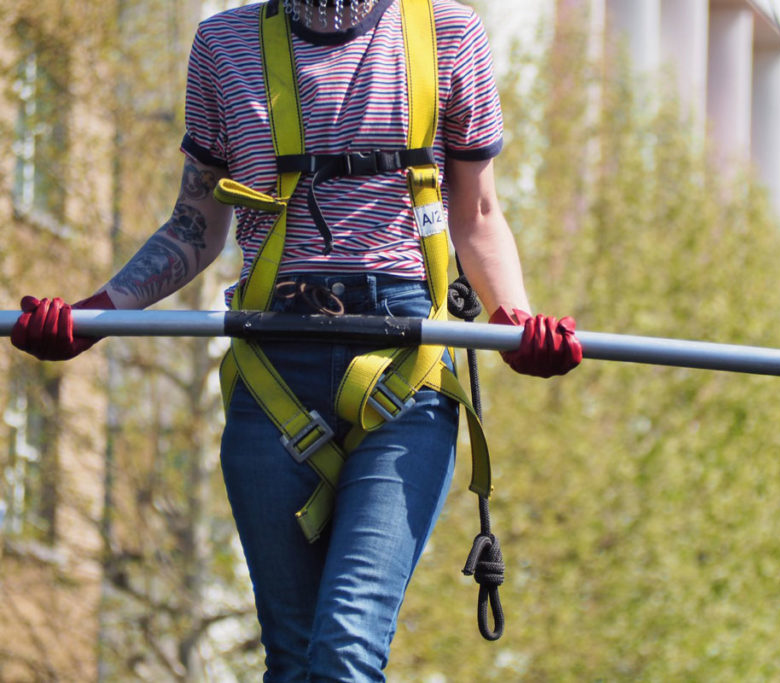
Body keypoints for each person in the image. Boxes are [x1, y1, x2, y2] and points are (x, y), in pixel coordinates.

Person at [10, 0, 581, 680]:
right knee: (292, 656)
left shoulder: (449, 34)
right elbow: (195, 225)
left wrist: (515, 321)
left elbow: (478, 213)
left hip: (404, 365)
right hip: (273, 360)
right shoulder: (223, 44)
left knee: (344, 648)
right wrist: (96, 314)